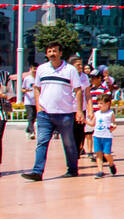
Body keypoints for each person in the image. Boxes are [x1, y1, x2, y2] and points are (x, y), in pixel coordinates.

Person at [21, 41, 85, 181]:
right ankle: (37, 172)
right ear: (46, 53)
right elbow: (37, 88)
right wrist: (38, 106)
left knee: (69, 143)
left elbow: (78, 90)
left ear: (60, 53)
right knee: (42, 142)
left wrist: (79, 110)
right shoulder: (42, 69)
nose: (52, 54)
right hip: (45, 114)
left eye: (55, 51)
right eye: (49, 51)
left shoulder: (70, 70)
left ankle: (72, 169)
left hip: (65, 114)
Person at [91, 93, 118, 178]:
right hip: (97, 136)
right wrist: (84, 120)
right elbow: (92, 124)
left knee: (107, 154)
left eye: (101, 103)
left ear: (107, 103)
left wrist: (113, 127)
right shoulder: (97, 113)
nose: (99, 105)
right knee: (98, 154)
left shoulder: (110, 113)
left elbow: (113, 124)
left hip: (106, 137)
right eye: (98, 103)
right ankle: (100, 171)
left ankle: (111, 164)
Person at [20, 64, 38, 138]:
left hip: (36, 102)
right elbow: (22, 89)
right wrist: (26, 90)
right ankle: (32, 132)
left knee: (33, 117)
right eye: (34, 68)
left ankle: (28, 130)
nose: (35, 70)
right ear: (30, 69)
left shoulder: (38, 79)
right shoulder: (27, 78)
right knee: (30, 116)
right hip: (28, 102)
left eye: (36, 69)